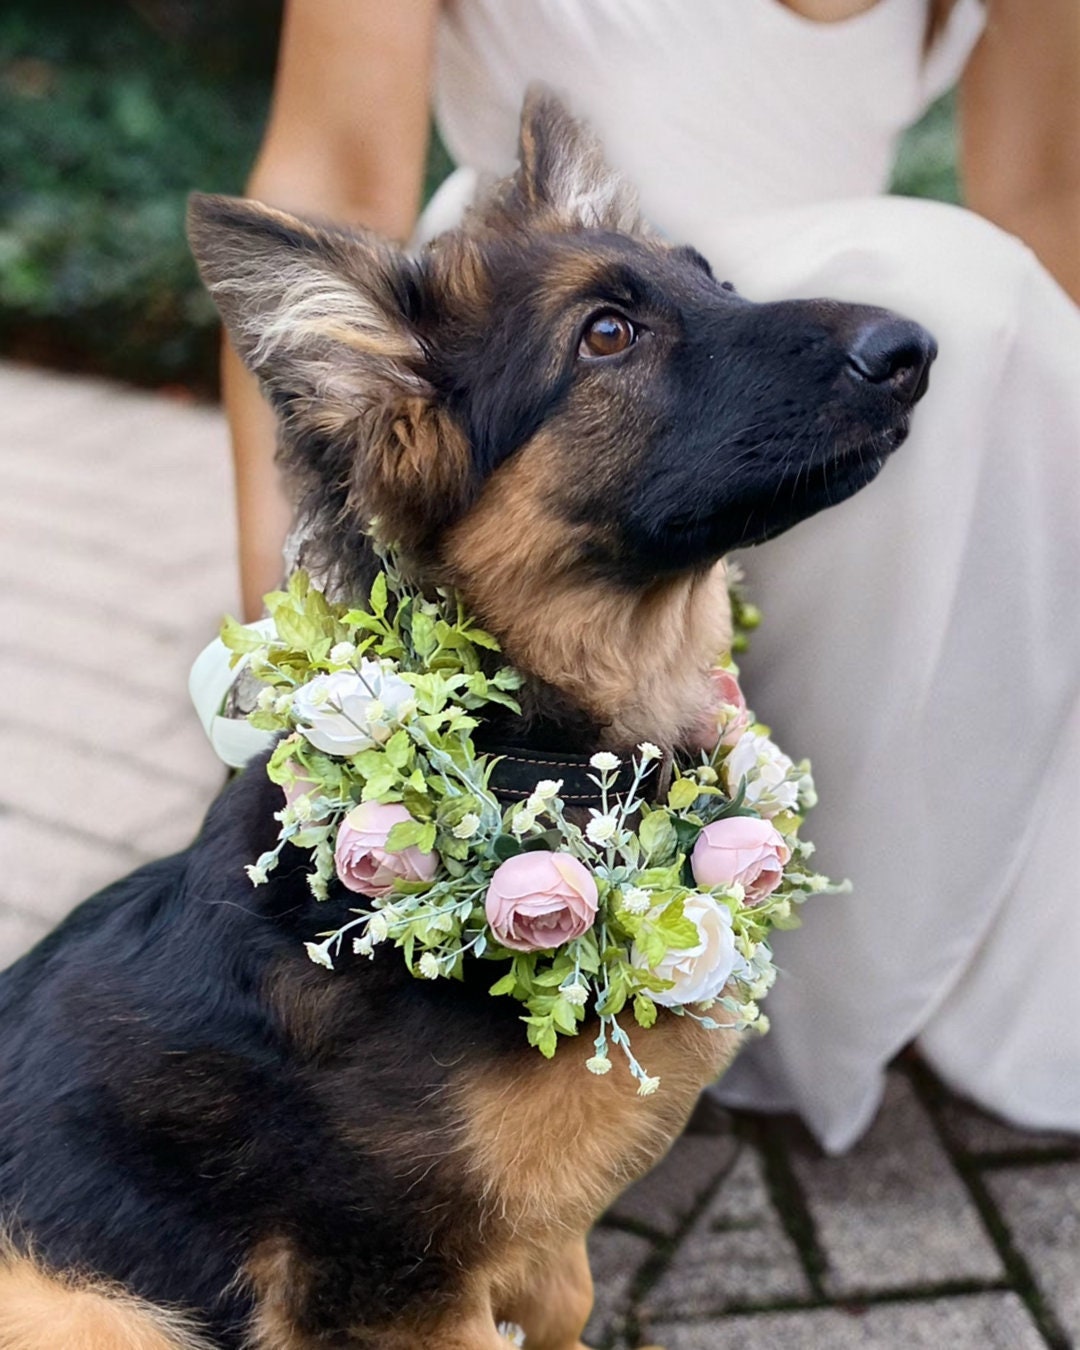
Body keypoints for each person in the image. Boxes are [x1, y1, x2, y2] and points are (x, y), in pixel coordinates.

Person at [215, 0, 1080, 1151]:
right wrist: (306, 652)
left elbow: (1044, 197)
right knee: (946, 287)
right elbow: (333, 175)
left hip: (745, 307)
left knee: (979, 305)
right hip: (538, 329)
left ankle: (777, 951)